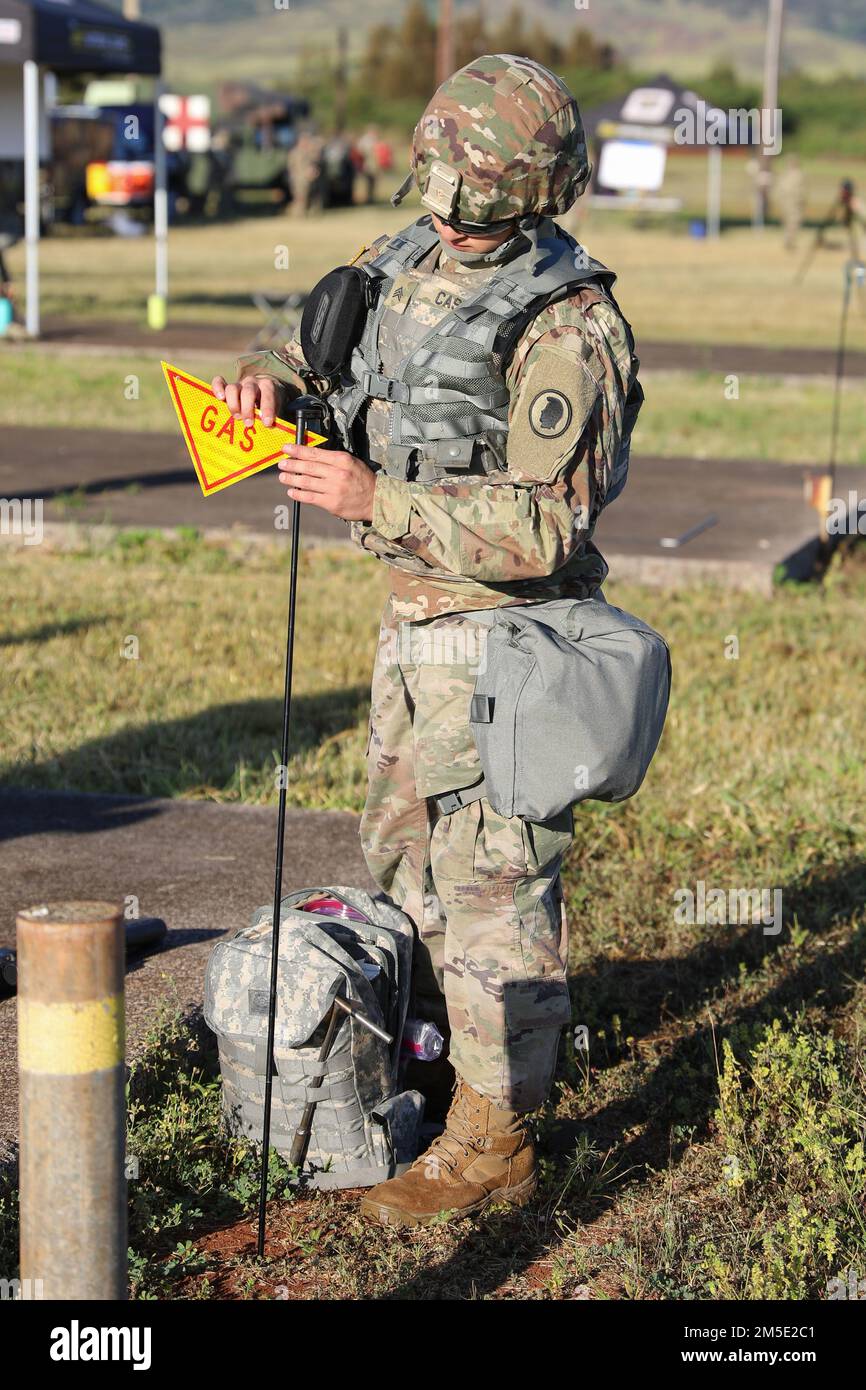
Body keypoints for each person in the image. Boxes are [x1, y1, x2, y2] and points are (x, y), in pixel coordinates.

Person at [213, 54, 641, 1228]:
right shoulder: (401, 257)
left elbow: (550, 522)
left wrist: (373, 500)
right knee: (410, 862)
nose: (448, 206)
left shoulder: (570, 324)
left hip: (504, 639)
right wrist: (262, 377)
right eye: (441, 172)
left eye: (476, 186)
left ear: (531, 190)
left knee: (491, 880)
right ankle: (472, 1069)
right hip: (412, 624)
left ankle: (492, 1143)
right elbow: (306, 340)